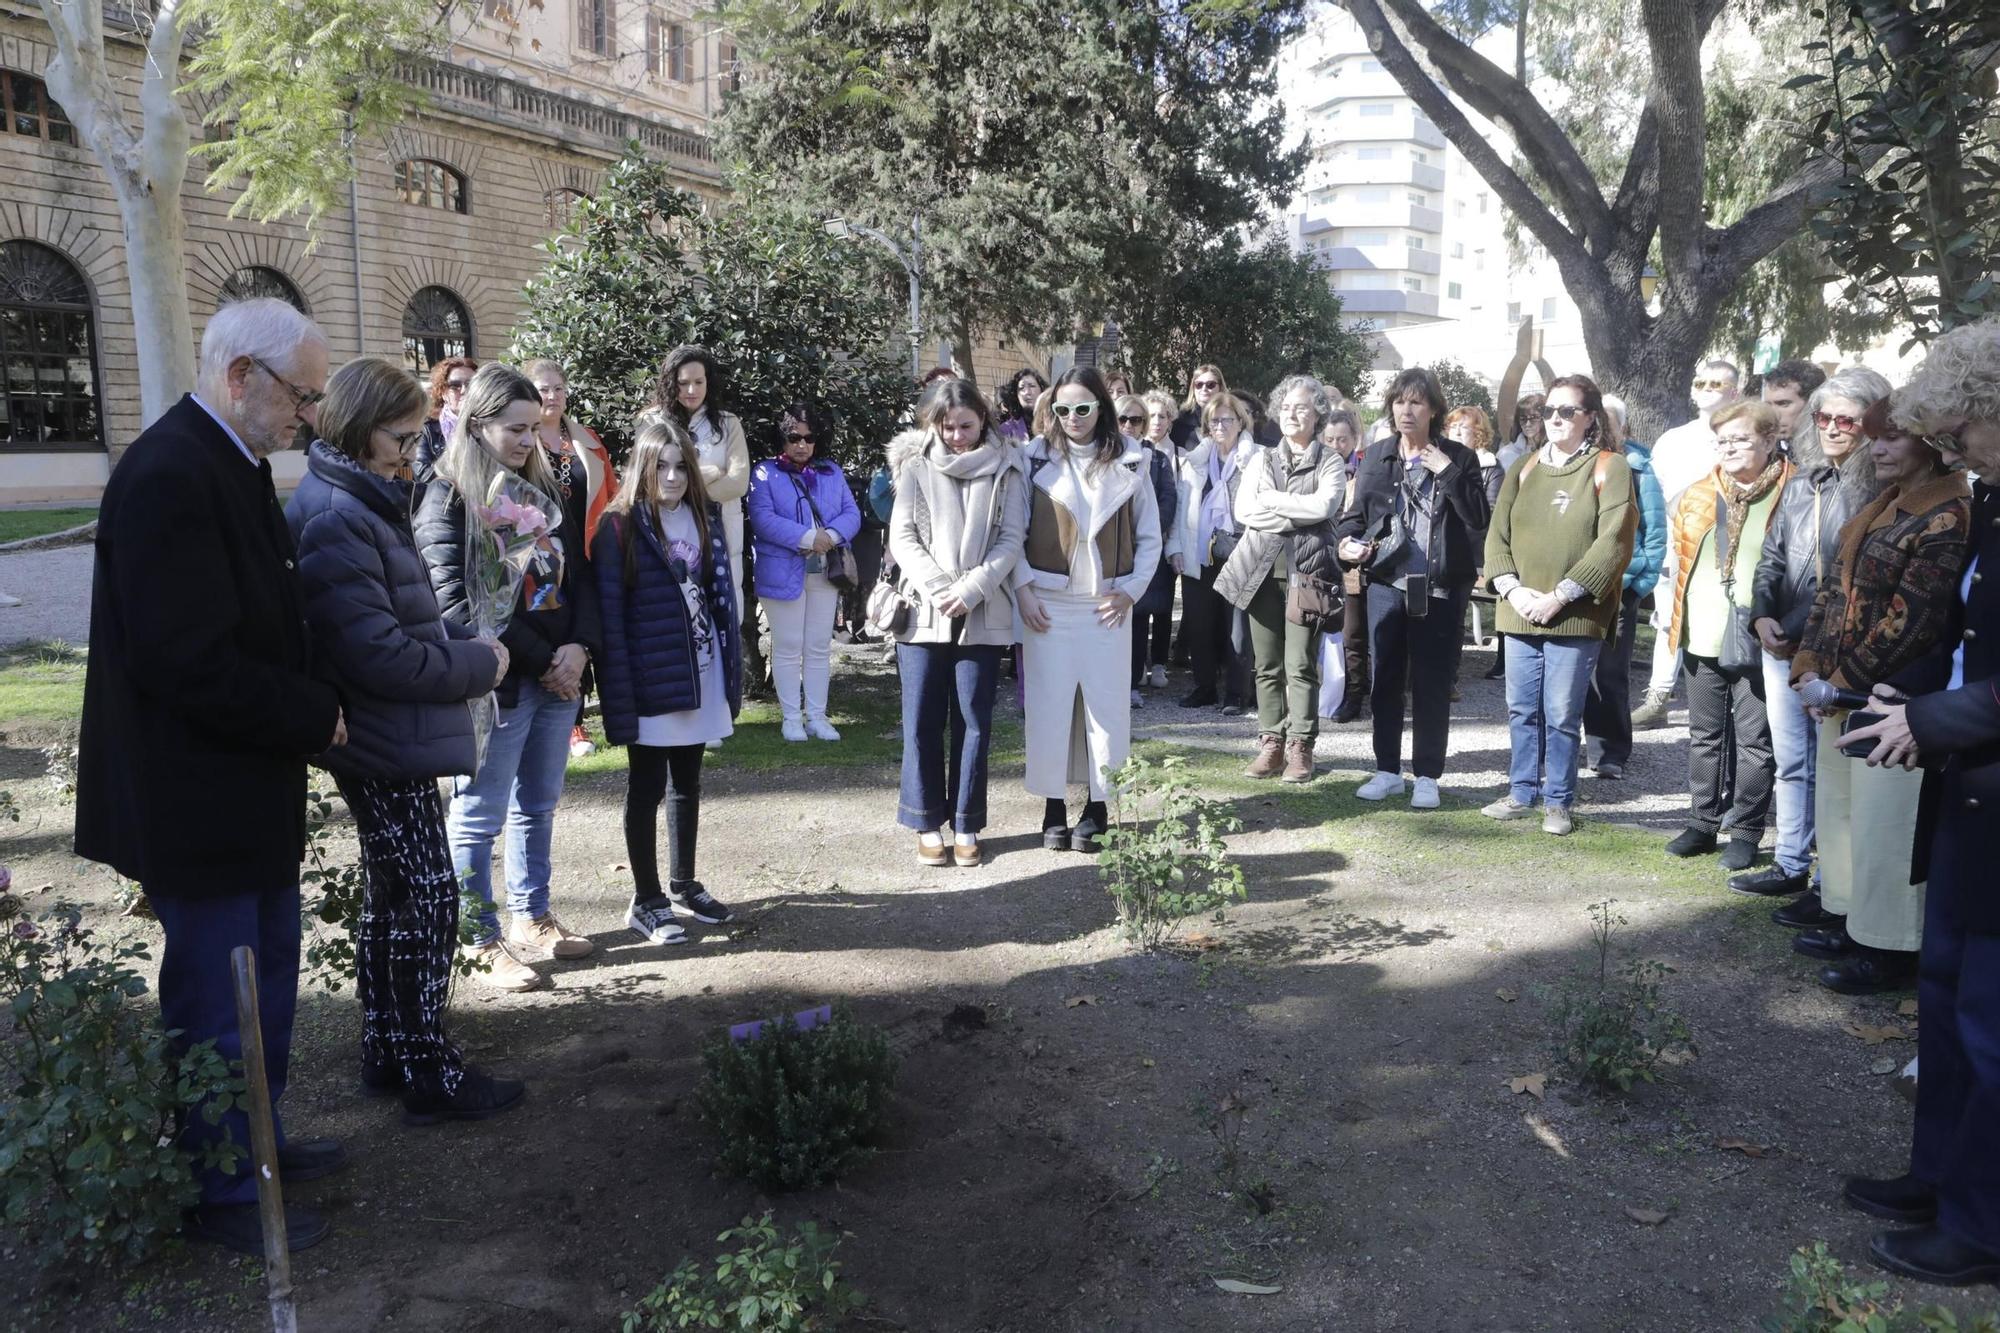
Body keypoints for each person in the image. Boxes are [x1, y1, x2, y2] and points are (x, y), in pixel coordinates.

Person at [76, 298, 346, 1253]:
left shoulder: (227, 463)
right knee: (218, 996)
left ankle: (256, 1145)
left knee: (267, 980)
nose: (308, 414)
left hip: (244, 784)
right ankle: (223, 1185)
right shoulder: (168, 475)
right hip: (195, 795)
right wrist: (315, 713)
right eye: (300, 395)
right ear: (242, 376)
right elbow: (185, 660)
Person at [286, 356, 524, 1125]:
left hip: (388, 732)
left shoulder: (360, 497)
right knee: (425, 896)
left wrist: (459, 641)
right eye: (403, 436)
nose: (416, 451)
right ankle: (428, 1066)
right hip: (378, 736)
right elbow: (375, 652)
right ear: (358, 432)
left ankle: (388, 1049)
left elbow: (404, 616)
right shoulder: (337, 514)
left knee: (395, 894)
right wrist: (476, 663)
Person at [1835, 320, 2000, 1288]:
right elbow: (1973, 636)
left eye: (1964, 427)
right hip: (1968, 805)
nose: (1951, 446)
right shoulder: (1993, 506)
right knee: (1940, 1005)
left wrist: (1933, 722)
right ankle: (1936, 1178)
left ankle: (1979, 1224)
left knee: (1989, 1026)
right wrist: (1913, 696)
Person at [416, 363, 602, 990]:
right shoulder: (447, 496)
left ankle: (532, 916)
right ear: (478, 423)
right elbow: (455, 605)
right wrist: (544, 659)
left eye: (534, 428)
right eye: (515, 429)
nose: (528, 440)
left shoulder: (544, 492)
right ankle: (477, 936)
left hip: (558, 676)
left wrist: (578, 646)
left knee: (538, 805)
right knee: (479, 812)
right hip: (499, 682)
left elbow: (576, 574)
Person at [1788, 398, 1970, 993]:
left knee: (1888, 823)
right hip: (1840, 689)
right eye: (1877, 439)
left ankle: (1891, 946)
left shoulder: (1949, 512)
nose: (1880, 449)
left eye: (1894, 438)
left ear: (1929, 442)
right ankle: (1849, 914)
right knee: (1844, 815)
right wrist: (1808, 666)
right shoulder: (1881, 506)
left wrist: (1838, 683)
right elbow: (1831, 596)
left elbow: (1913, 619)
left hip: (1894, 692)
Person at [1737, 367, 1888, 905]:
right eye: (1822, 416)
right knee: (1793, 761)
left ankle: (1832, 879)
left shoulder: (1884, 491)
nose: (1830, 428)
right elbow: (1771, 557)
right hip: (1785, 645)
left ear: (1871, 423)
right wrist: (1760, 616)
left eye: (1844, 419)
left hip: (1843, 650)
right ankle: (1790, 862)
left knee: (1837, 767)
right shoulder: (1802, 481)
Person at [592, 419, 742, 944]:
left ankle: (683, 883)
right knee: (647, 787)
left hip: (700, 671)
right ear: (644, 467)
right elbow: (610, 620)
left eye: (683, 467)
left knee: (688, 784)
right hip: (650, 678)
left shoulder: (704, 517)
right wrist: (620, 697)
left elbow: (717, 594)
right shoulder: (619, 528)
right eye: (663, 466)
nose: (674, 477)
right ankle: (647, 898)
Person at [1479, 375, 1636, 835]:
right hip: (1520, 610)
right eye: (1549, 411)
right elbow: (1496, 536)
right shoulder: (1523, 468)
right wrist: (1514, 591)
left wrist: (1562, 595)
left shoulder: (1611, 468)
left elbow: (1615, 542)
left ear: (1590, 418)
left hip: (1576, 613)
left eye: (1567, 411)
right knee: (1521, 709)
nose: (1555, 420)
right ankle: (1521, 791)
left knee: (1563, 713)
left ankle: (1558, 801)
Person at [1016, 366, 1163, 852]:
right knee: (1050, 709)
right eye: (1063, 409)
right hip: (1048, 604)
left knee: (1106, 710)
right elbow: (1010, 535)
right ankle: (1053, 807)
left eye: (1083, 408)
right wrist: (1024, 591)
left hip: (1107, 606)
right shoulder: (1030, 460)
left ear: (1101, 406)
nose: (1073, 418)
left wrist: (1133, 590)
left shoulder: (1132, 460)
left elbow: (1149, 537)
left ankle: (1099, 807)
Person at [887, 380, 1029, 866]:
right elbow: (901, 536)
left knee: (974, 720)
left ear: (983, 420)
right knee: (922, 718)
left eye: (966, 425)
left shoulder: (1008, 465)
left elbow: (1012, 539)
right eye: (947, 426)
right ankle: (925, 820)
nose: (956, 436)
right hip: (923, 611)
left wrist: (971, 590)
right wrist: (938, 587)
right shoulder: (915, 465)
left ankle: (967, 822)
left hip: (982, 612)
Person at [1338, 368, 1492, 809]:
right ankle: (1387, 770)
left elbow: (1478, 520)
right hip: (1386, 582)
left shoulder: (1460, 458)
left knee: (1431, 682)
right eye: (1400, 401)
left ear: (1434, 410)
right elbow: (1356, 517)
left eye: (1416, 402)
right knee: (1384, 678)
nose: (1406, 410)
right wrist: (1347, 543)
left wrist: (1447, 474)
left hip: (1439, 586)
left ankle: (1427, 775)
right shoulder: (1377, 455)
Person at [1658, 399, 1789, 871]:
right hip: (1703, 631)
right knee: (1704, 736)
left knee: (1756, 741)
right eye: (1723, 440)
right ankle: (1702, 823)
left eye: (1740, 438)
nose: (1729, 448)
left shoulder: (1791, 491)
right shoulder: (1698, 493)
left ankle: (1748, 831)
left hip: (1762, 635)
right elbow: (1679, 561)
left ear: (1770, 439)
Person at [1215, 374, 1346, 783]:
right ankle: (1270, 743)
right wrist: (1297, 510)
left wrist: (1273, 501)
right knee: (1267, 664)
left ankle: (1301, 747)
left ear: (1317, 414)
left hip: (1308, 572)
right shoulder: (1261, 458)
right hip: (1260, 569)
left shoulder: (1331, 460)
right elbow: (1245, 512)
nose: (1292, 414)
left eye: (1302, 407)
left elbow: (1325, 505)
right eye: (1287, 407)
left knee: (1301, 664)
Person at [1635, 358, 1744, 727]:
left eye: (1717, 384)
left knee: (1724, 621)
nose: (1707, 390)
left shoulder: (1741, 437)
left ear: (1735, 391)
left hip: (1726, 546)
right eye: (1701, 382)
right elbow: (1656, 491)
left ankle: (1728, 699)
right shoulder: (1674, 439)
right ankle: (1659, 695)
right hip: (1675, 543)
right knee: (1668, 621)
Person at [747, 403, 862, 742]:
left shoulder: (831, 472)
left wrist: (832, 537)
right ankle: (791, 718)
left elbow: (851, 513)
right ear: (782, 437)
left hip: (825, 571)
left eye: (809, 438)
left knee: (816, 647)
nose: (801, 444)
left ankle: (817, 716)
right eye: (794, 437)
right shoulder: (764, 473)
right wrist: (809, 537)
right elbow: (763, 519)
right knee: (787, 645)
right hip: (782, 570)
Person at [524, 358, 617, 760]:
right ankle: (572, 722)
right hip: (546, 554)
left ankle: (611, 714)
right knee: (560, 630)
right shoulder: (524, 442)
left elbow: (612, 494)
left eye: (558, 388)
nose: (552, 396)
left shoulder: (586, 440)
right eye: (543, 389)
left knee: (595, 628)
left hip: (591, 549)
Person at [1581, 394, 1668, 780]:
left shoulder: (1638, 469)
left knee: (1610, 673)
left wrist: (1639, 581)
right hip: (1571, 583)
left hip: (1620, 585)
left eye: (1607, 420)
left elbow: (1654, 530)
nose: (1600, 426)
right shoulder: (1576, 463)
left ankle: (1609, 752)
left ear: (1622, 426)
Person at [1175, 391, 1257, 714]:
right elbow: (1182, 508)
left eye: (1227, 419)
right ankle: (1204, 686)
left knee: (1237, 626)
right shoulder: (1194, 462)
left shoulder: (1255, 459)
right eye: (1214, 420)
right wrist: (1175, 549)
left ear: (1240, 422)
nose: (1221, 425)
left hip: (1239, 550)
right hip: (1200, 550)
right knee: (1199, 623)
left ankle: (1236, 693)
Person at [1121, 392, 1182, 707]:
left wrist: (1144, 535)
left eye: (1136, 420)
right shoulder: (1100, 456)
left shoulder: (1156, 459)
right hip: (1109, 554)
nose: (1129, 425)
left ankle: (1132, 683)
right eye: (1123, 419)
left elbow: (1168, 502)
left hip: (1142, 549)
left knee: (1137, 617)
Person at [1446, 406, 1506, 685]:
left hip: (1471, 550)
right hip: (1438, 547)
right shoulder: (1437, 458)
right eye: (1453, 426)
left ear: (1479, 434)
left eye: (1464, 427)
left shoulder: (1490, 467)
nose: (1457, 432)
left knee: (1455, 614)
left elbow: (1489, 511)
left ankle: (1451, 676)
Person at [1322, 408, 1370, 723]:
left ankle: (1355, 695)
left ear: (1354, 439)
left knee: (1353, 633)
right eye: (1330, 439)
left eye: (1342, 439)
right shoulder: (1317, 467)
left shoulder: (1366, 470)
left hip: (1355, 561)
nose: (1336, 444)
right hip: (1321, 556)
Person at [1140, 388, 1186, 681]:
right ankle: (1139, 663)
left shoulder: (1181, 455)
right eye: (1151, 415)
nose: (1156, 421)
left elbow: (1179, 501)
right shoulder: (1134, 450)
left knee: (1165, 604)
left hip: (1170, 539)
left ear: (1171, 420)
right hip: (1142, 541)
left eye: (1162, 416)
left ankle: (1159, 663)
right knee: (1141, 604)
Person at [412, 355, 477, 488]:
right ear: (443, 392)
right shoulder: (426, 428)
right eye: (455, 386)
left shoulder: (490, 425)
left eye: (471, 384)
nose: (464, 391)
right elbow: (423, 473)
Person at [1762, 358, 1827, 451]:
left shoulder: (1832, 453)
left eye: (1783, 404)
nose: (1773, 414)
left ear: (1812, 403)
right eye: (1768, 405)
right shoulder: (1765, 454)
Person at [1170, 363, 1229, 450]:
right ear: (1193, 388)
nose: (1204, 389)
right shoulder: (1179, 421)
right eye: (1199, 385)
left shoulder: (1231, 417)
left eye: (1210, 385)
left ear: (1220, 388)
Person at [1496, 392, 1544, 474]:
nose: (1528, 424)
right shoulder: (1505, 454)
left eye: (1534, 418)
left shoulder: (1556, 452)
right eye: (1523, 419)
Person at [996, 368, 1047, 442]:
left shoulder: (1054, 425)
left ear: (1042, 390)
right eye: (1021, 388)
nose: (1027, 392)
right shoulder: (1006, 429)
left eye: (1032, 386)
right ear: (1016, 395)